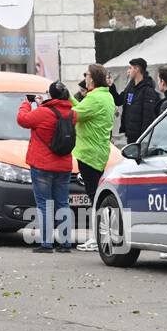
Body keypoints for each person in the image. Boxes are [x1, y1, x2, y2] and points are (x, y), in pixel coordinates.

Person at [17, 81, 78, 253]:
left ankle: (46, 243)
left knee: (44, 204)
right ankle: (65, 243)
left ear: (51, 96)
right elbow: (54, 115)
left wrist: (26, 104)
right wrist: (40, 104)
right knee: (62, 203)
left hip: (42, 165)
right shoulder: (72, 114)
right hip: (64, 166)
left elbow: (23, 119)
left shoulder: (43, 112)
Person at [71, 64, 115, 252]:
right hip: (98, 151)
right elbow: (80, 109)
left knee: (94, 198)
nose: (85, 78)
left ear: (93, 78)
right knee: (96, 196)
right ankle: (101, 236)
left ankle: (99, 237)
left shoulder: (95, 98)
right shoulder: (105, 96)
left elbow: (74, 115)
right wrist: (67, 97)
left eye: (86, 75)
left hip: (89, 153)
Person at [114, 58, 159, 144]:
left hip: (140, 138)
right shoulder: (130, 86)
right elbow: (119, 101)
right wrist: (111, 86)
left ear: (137, 69)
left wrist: (144, 139)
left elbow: (148, 117)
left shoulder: (147, 90)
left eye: (130, 68)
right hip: (130, 135)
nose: (128, 71)